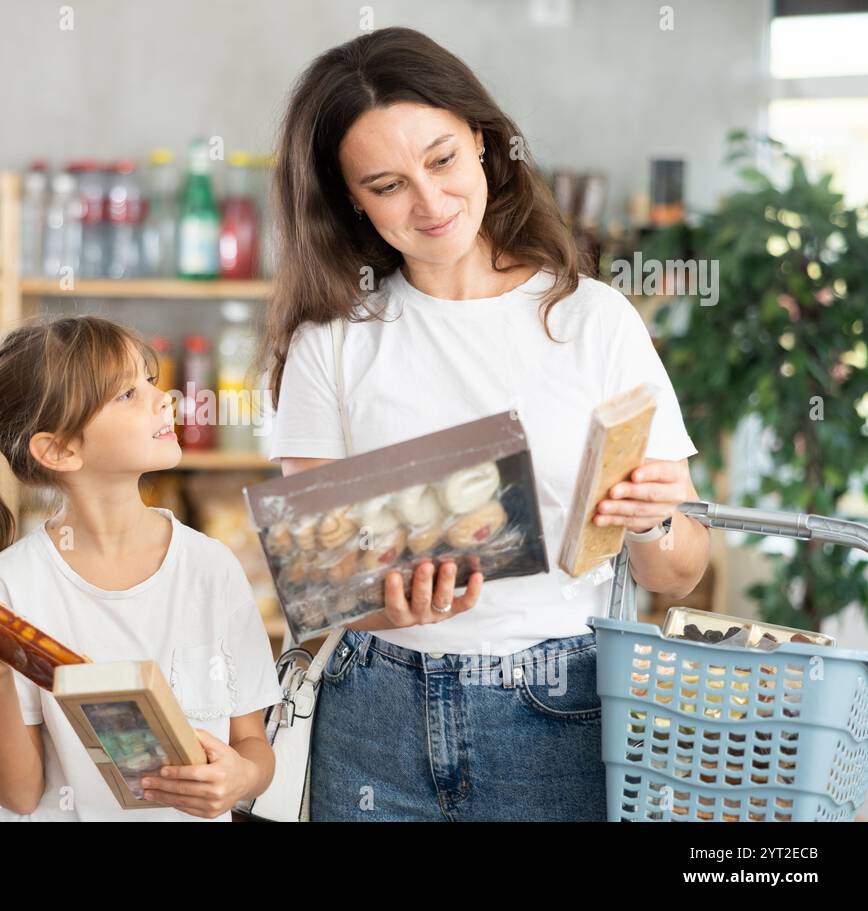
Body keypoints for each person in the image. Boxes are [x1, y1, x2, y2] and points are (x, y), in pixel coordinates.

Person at [259, 26, 710, 821]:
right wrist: (389, 605)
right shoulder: (329, 340)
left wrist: (658, 519)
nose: (430, 204)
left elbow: (677, 574)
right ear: (350, 198)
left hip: (559, 712)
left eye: (441, 160)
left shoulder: (592, 320)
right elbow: (318, 586)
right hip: (372, 714)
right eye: (387, 183)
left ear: (483, 141)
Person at [0, 315, 282, 820]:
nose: (165, 399)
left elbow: (253, 744)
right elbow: (19, 796)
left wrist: (240, 778)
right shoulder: (10, 586)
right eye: (127, 395)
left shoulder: (211, 568)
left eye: (150, 382)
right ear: (59, 449)